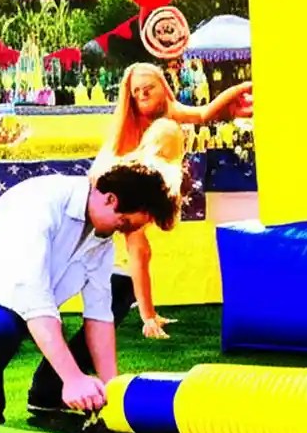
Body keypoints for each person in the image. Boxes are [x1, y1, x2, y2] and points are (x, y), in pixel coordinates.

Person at [0, 159, 180, 424]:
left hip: (34, 309)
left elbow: (99, 315)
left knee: (121, 287)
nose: (124, 232)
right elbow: (34, 299)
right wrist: (74, 378)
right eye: (124, 222)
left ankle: (48, 393)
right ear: (110, 199)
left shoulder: (101, 236)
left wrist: (112, 389)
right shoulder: (40, 204)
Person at [98, 62, 253, 339]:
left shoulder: (168, 114)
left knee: (141, 251)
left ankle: (149, 314)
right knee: (138, 249)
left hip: (146, 183)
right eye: (137, 92)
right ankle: (147, 318)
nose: (143, 95)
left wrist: (239, 90)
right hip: (125, 188)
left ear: (163, 88)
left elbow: (204, 113)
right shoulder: (133, 124)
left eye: (149, 89)